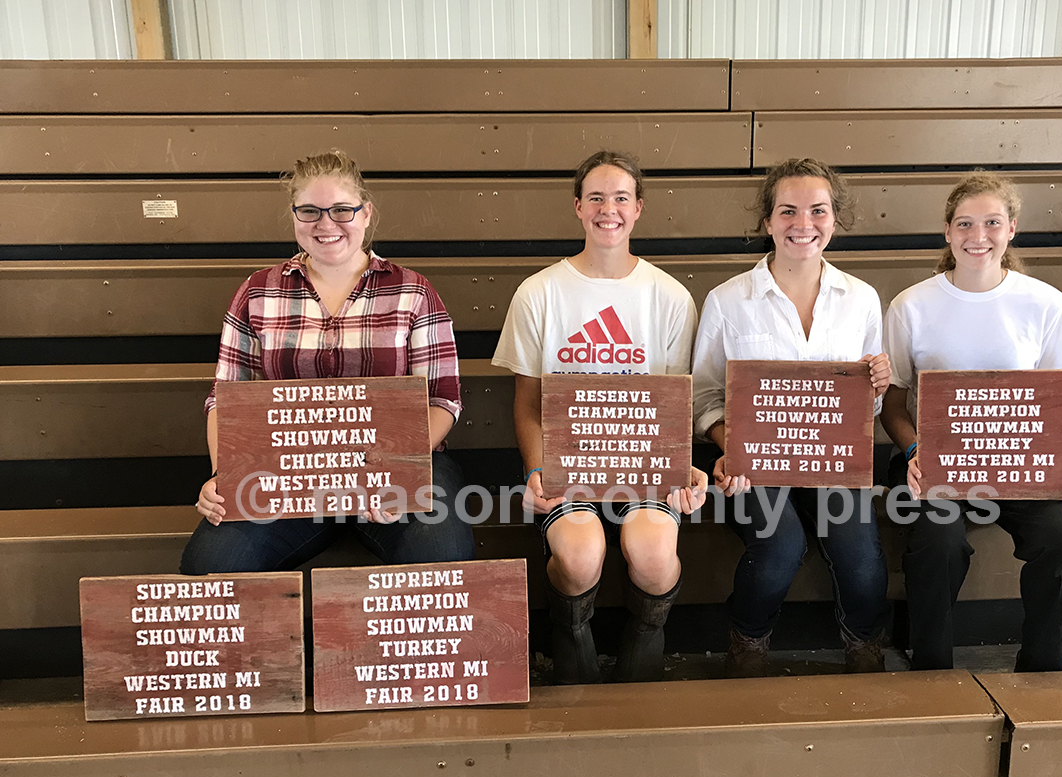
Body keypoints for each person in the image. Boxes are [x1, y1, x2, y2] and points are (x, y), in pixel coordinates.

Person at [182, 150, 475, 574]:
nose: (326, 224)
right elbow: (225, 400)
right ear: (293, 214)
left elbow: (443, 400)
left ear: (366, 213)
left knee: (440, 555)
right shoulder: (257, 291)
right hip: (286, 472)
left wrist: (395, 469)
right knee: (211, 564)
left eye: (342, 209)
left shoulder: (412, 290)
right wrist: (223, 476)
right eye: (310, 211)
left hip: (397, 466)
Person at [492, 150, 707, 684]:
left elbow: (673, 405)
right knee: (581, 552)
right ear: (577, 207)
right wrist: (535, 471)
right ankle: (575, 652)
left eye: (620, 198)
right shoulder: (539, 292)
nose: (607, 209)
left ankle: (643, 648)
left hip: (643, 466)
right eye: (595, 198)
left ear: (638, 209)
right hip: (569, 467)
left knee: (655, 550)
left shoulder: (671, 297)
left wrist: (679, 471)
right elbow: (527, 402)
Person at [880, 171, 1062, 672]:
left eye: (992, 223)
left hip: (1017, 465)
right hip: (934, 464)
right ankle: (931, 665)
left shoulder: (1044, 303)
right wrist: (914, 453)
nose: (979, 236)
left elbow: (1054, 404)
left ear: (1012, 228)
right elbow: (891, 405)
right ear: (948, 232)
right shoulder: (912, 305)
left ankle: (1041, 669)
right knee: (938, 542)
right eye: (965, 224)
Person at [692, 158, 892, 677]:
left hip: (834, 461)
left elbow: (863, 408)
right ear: (768, 221)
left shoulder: (862, 299)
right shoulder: (728, 300)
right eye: (788, 211)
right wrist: (728, 441)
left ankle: (863, 640)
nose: (803, 223)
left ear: (835, 219)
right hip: (753, 465)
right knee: (780, 546)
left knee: (861, 552)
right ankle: (748, 637)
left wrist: (876, 386)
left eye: (818, 210)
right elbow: (705, 394)